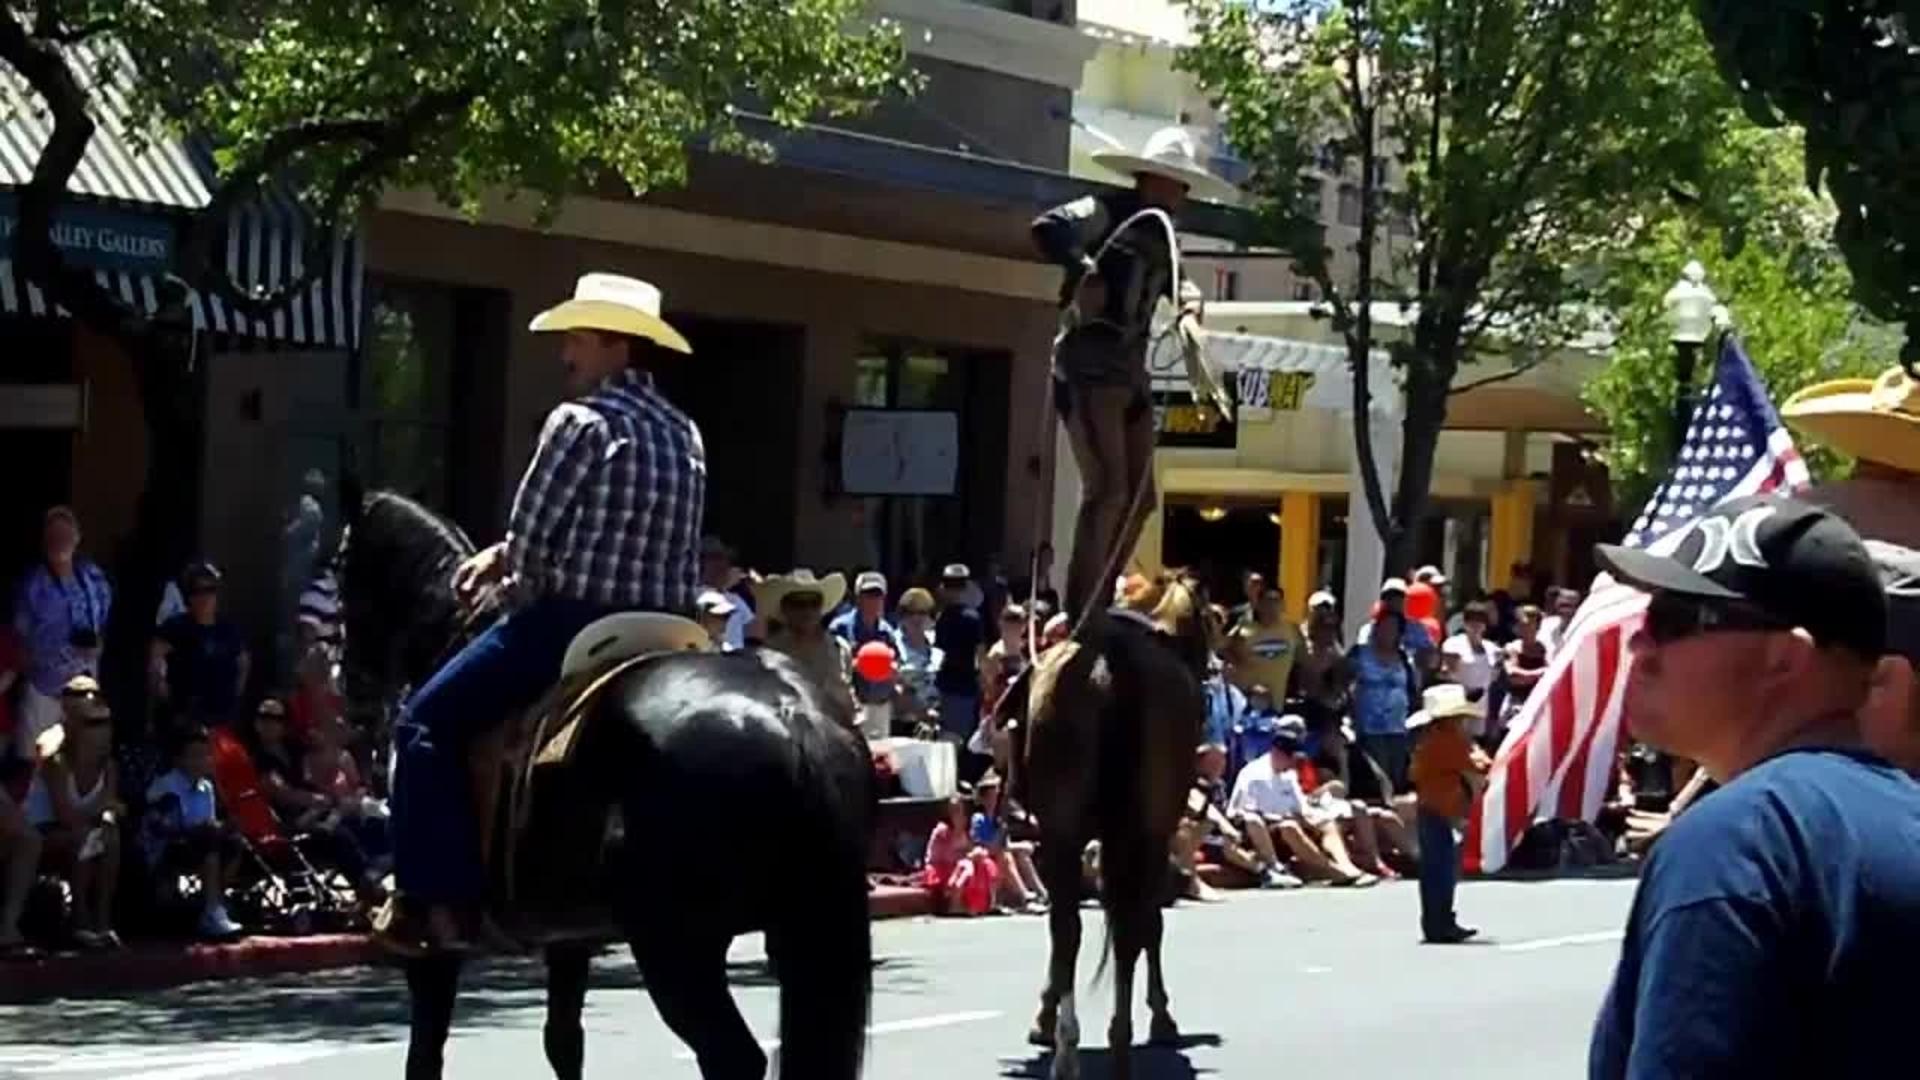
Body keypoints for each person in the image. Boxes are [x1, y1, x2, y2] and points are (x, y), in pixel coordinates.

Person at [379, 273, 705, 953]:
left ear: (618, 345)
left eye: (577, 339)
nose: (565, 354)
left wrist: (510, 583)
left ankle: (439, 901)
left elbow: (531, 543)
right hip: (665, 633)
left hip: (572, 624)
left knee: (423, 724)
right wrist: (501, 556)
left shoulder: (579, 422)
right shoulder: (685, 432)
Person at [1585, 494, 1920, 1078]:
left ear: (1784, 659)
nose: (1641, 646)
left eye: (1677, 621)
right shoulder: (1895, 820)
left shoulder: (1742, 839)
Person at [1032, 126, 1236, 625]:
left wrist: (1190, 306)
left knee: (1142, 500)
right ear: (1151, 179)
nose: (1181, 195)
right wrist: (1085, 267)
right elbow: (1049, 227)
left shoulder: (1164, 237)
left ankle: (1102, 595)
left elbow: (1181, 282)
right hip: (1090, 363)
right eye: (1176, 184)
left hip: (1130, 370)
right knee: (1108, 489)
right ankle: (1081, 608)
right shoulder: (1105, 211)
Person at [24, 677, 122, 949]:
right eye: (92, 723)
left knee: (109, 837)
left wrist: (107, 819)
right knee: (85, 837)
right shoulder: (57, 761)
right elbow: (65, 815)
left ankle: (103, 922)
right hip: (43, 831)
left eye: (105, 723)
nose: (101, 729)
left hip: (83, 828)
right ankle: (80, 921)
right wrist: (103, 811)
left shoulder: (109, 766)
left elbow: (109, 808)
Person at [13, 507, 111, 760]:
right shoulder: (32, 583)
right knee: (34, 761)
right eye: (54, 534)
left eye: (66, 533)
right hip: (44, 686)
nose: (60, 539)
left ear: (77, 537)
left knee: (84, 759)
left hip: (84, 687)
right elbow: (19, 636)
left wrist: (97, 643)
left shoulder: (92, 576)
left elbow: (104, 619)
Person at [141, 727, 245, 939]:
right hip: (164, 849)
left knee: (234, 842)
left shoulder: (207, 788)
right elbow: (158, 827)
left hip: (196, 843)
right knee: (208, 840)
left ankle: (212, 903)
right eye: (195, 755)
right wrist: (199, 831)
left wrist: (224, 827)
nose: (201, 761)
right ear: (179, 759)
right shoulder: (165, 786)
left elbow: (209, 822)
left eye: (205, 755)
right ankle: (211, 911)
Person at [1406, 685, 1490, 944]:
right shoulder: (1446, 741)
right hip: (1438, 810)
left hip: (1437, 809)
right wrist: (1476, 750)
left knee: (1439, 869)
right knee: (1440, 870)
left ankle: (1440, 921)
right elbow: (1481, 766)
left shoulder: (1434, 739)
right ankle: (1439, 924)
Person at [149, 563, 251, 728]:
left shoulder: (229, 629)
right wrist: (164, 694)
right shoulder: (175, 627)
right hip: (185, 720)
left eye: (210, 590)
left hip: (222, 719)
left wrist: (233, 697)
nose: (204, 597)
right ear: (188, 597)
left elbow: (243, 662)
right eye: (197, 591)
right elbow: (156, 660)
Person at [756, 569, 856, 717]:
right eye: (798, 604)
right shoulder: (769, 653)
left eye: (814, 603)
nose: (807, 610)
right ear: (785, 609)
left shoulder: (840, 649)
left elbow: (848, 701)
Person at [1348, 610, 1416, 799]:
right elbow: (1344, 683)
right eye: (1384, 626)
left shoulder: (1403, 658)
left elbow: (1412, 690)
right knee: (1377, 779)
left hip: (1398, 729)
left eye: (1393, 628)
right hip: (1369, 729)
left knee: (1398, 779)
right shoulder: (1360, 654)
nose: (1387, 631)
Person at [933, 565, 986, 742]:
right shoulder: (973, 618)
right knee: (959, 739)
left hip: (945, 685)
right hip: (964, 687)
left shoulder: (941, 618)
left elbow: (937, 653)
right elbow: (980, 654)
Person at [1227, 586, 1304, 702]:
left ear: (1283, 605)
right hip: (1247, 701)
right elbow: (1227, 659)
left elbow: (1303, 660)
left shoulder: (1292, 630)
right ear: (1259, 604)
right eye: (1268, 600)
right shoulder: (1243, 629)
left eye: (1276, 600)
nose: (1272, 605)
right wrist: (1249, 687)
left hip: (1276, 703)